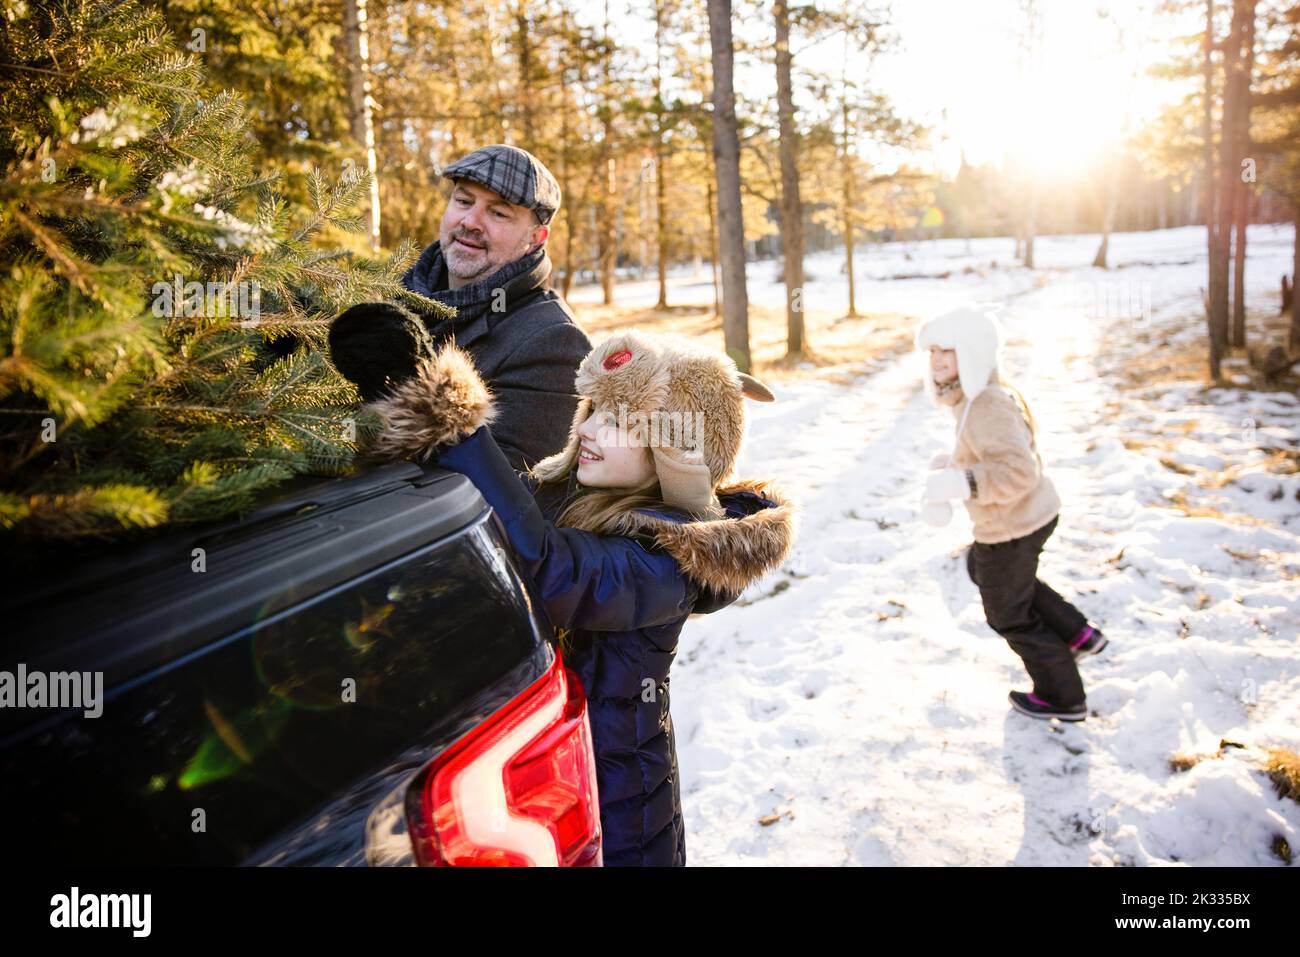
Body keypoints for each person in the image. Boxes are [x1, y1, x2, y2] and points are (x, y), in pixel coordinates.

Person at [329, 325, 796, 865]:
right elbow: (490, 511)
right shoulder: (575, 498)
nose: (592, 428)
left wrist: (455, 422)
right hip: (551, 786)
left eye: (619, 420)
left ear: (678, 448)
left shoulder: (666, 563)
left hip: (620, 810)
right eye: (593, 409)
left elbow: (550, 573)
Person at [329, 144, 591, 471]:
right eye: (464, 201)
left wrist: (423, 390)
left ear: (536, 238)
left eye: (498, 213)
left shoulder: (555, 343)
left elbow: (510, 493)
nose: (470, 221)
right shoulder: (392, 295)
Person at [916, 306, 1108, 723]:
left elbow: (1019, 471)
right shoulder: (971, 397)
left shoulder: (986, 403)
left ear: (972, 353)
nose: (937, 361)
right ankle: (1077, 633)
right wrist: (954, 463)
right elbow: (989, 452)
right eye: (932, 352)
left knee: (1007, 612)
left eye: (947, 352)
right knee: (982, 569)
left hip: (1013, 525)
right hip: (1021, 518)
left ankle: (1063, 696)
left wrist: (963, 482)